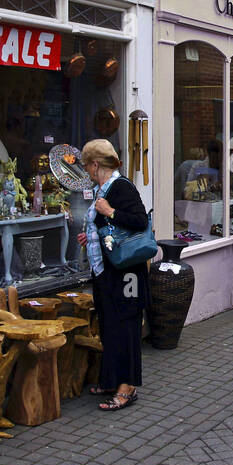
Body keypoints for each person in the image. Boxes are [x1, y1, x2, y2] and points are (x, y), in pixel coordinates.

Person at [78, 139, 150, 412]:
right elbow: (108, 229)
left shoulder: (121, 188)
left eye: (87, 165)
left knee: (127, 327)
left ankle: (127, 387)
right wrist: (91, 236)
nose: (86, 171)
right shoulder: (102, 188)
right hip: (106, 271)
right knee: (109, 325)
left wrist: (110, 211)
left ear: (96, 164)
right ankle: (111, 380)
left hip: (126, 274)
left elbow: (139, 221)